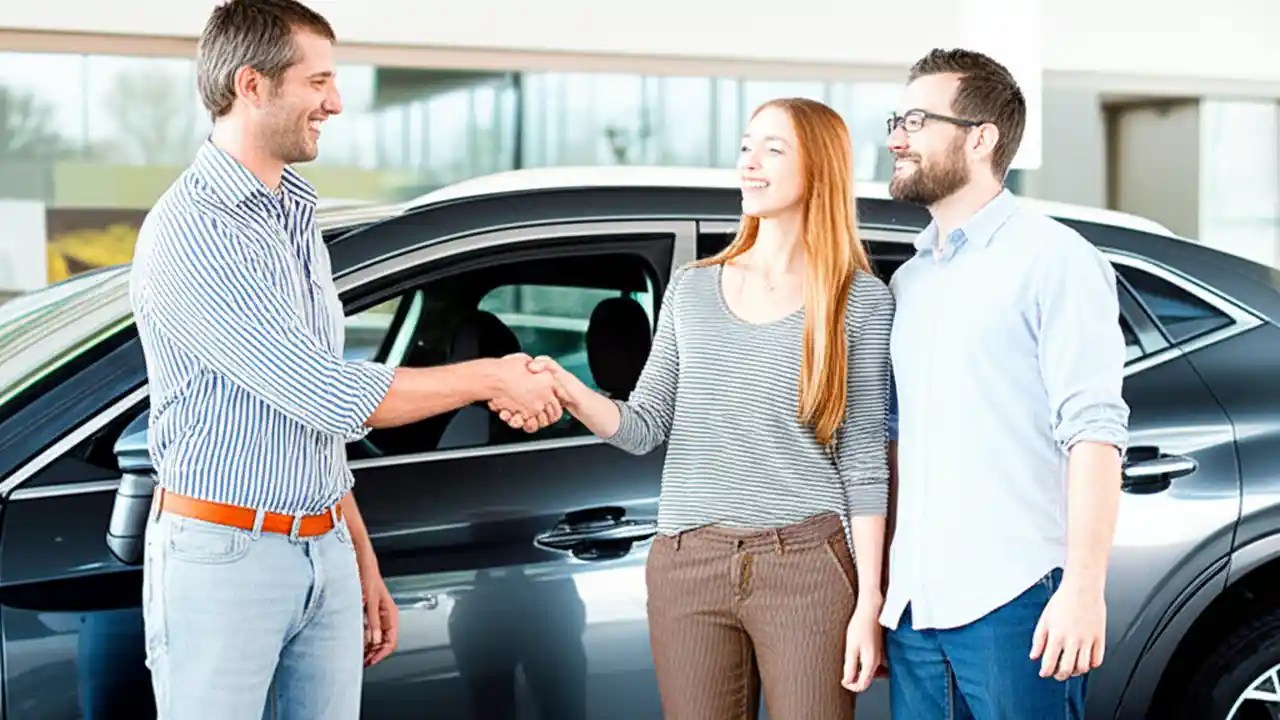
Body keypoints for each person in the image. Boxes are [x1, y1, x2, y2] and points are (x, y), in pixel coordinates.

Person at [128, 1, 559, 717]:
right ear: (252, 86)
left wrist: (356, 555)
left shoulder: (291, 215)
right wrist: (491, 376)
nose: (336, 101)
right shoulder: (194, 230)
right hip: (225, 558)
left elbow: (311, 426)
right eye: (318, 81)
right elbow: (328, 393)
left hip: (320, 547)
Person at [494, 97, 894, 719]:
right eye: (745, 147)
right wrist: (568, 388)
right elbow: (644, 425)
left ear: (819, 168)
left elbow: (865, 460)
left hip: (808, 569)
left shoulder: (859, 301)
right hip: (689, 566)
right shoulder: (693, 286)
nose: (749, 164)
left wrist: (869, 602)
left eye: (772, 149)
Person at [879, 48, 1130, 719]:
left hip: (1016, 599)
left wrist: (1084, 587)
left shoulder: (1056, 260)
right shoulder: (910, 281)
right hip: (915, 609)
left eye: (916, 120)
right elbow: (901, 445)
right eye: (895, 121)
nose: (895, 138)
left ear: (981, 136)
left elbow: (1095, 434)